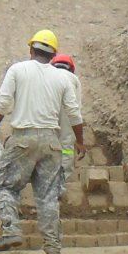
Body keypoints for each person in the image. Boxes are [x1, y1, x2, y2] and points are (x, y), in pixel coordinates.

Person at [0, 30, 83, 254]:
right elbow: (74, 113)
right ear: (53, 55)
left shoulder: (18, 69)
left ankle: (11, 231)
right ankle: (52, 246)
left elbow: (2, 102)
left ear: (31, 49)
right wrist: (80, 141)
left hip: (23, 138)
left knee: (3, 185)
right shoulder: (63, 78)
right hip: (51, 142)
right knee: (48, 195)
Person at [50, 53, 82, 184]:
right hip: (68, 113)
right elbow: (76, 107)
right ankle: (62, 181)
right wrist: (80, 140)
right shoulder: (74, 79)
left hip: (49, 110)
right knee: (67, 144)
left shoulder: (48, 75)